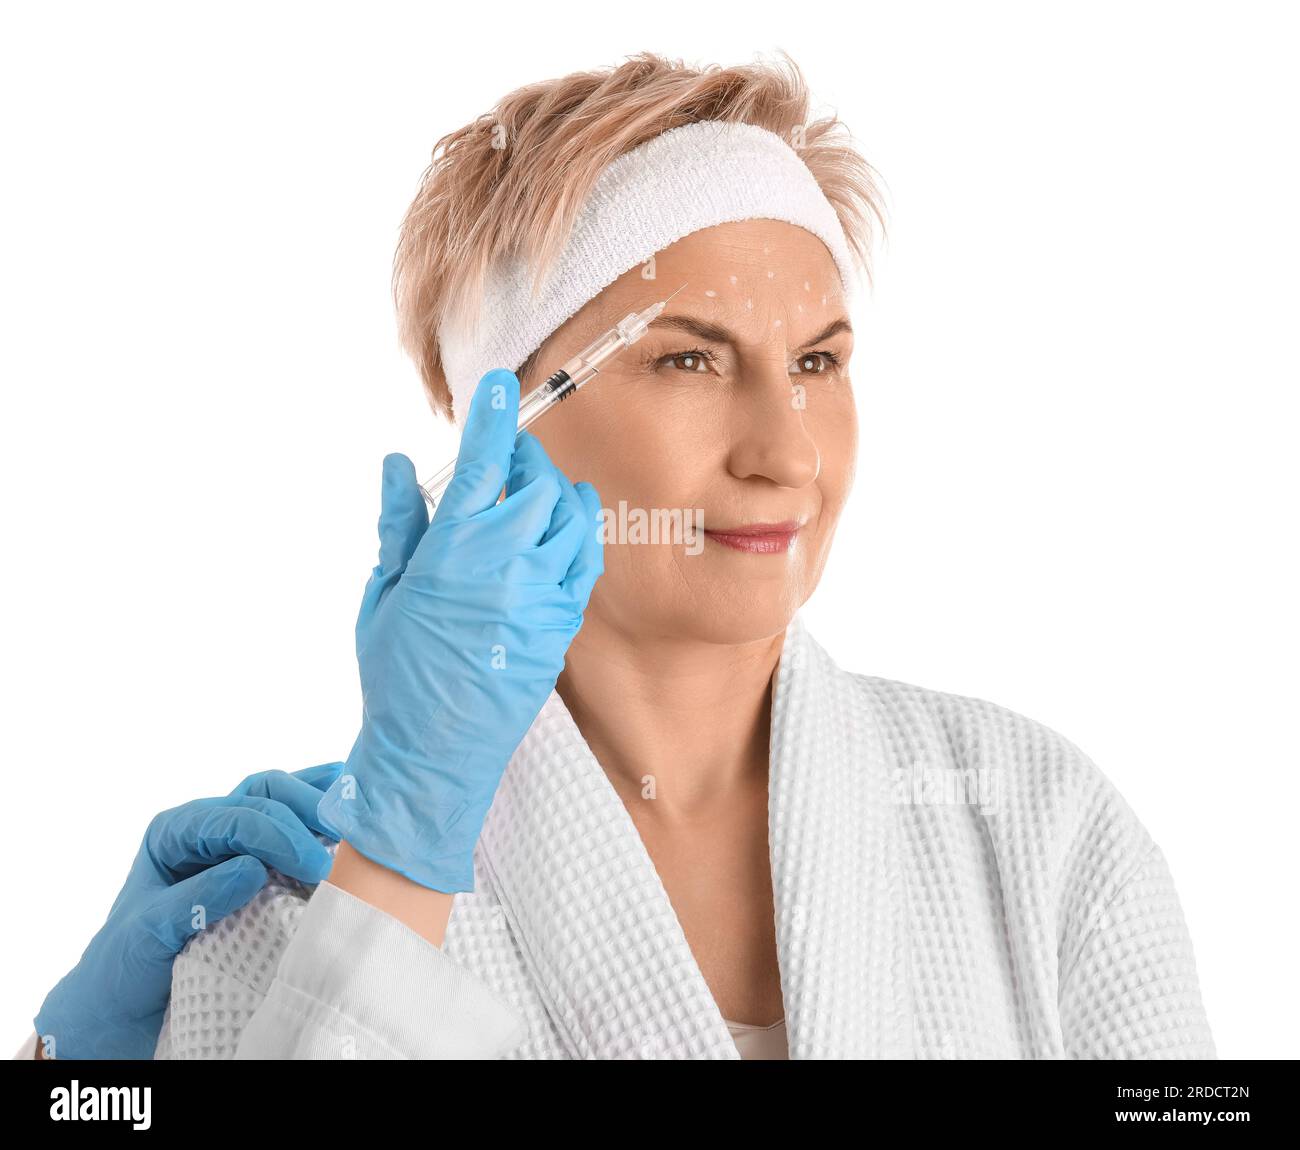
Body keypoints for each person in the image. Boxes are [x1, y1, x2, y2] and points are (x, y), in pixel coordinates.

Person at [22, 52, 1215, 1061]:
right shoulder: (305, 903)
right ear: (508, 421)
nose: (786, 454)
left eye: (818, 361)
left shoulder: (1040, 827)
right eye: (687, 360)